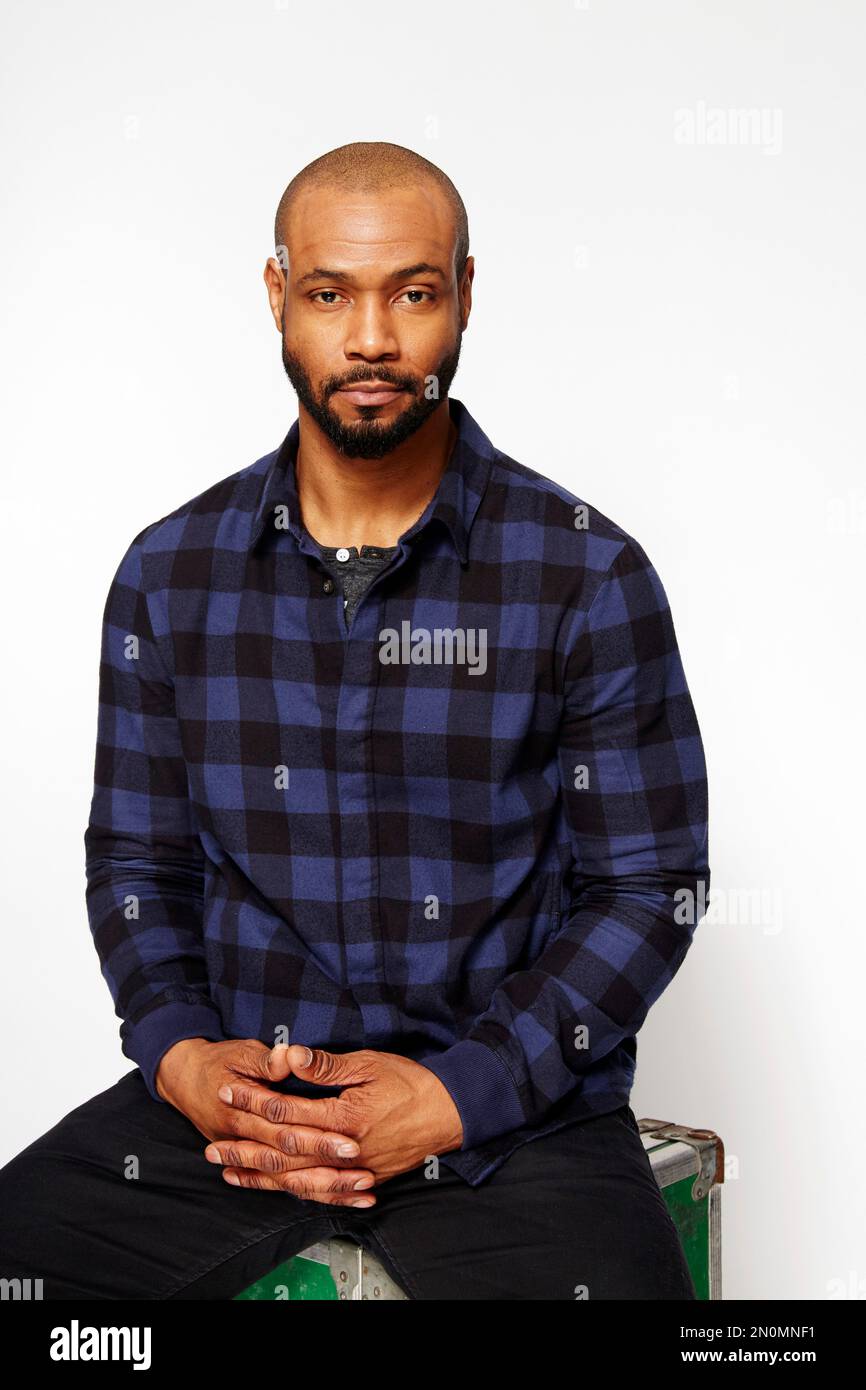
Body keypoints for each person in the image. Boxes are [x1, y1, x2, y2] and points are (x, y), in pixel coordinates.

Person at [0, 141, 709, 1300]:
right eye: (331, 293)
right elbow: (137, 856)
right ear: (279, 294)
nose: (371, 339)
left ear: (464, 297)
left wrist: (454, 1094)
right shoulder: (169, 573)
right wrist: (181, 1056)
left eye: (412, 293)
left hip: (510, 1126)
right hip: (232, 1123)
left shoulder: (585, 573)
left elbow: (645, 887)